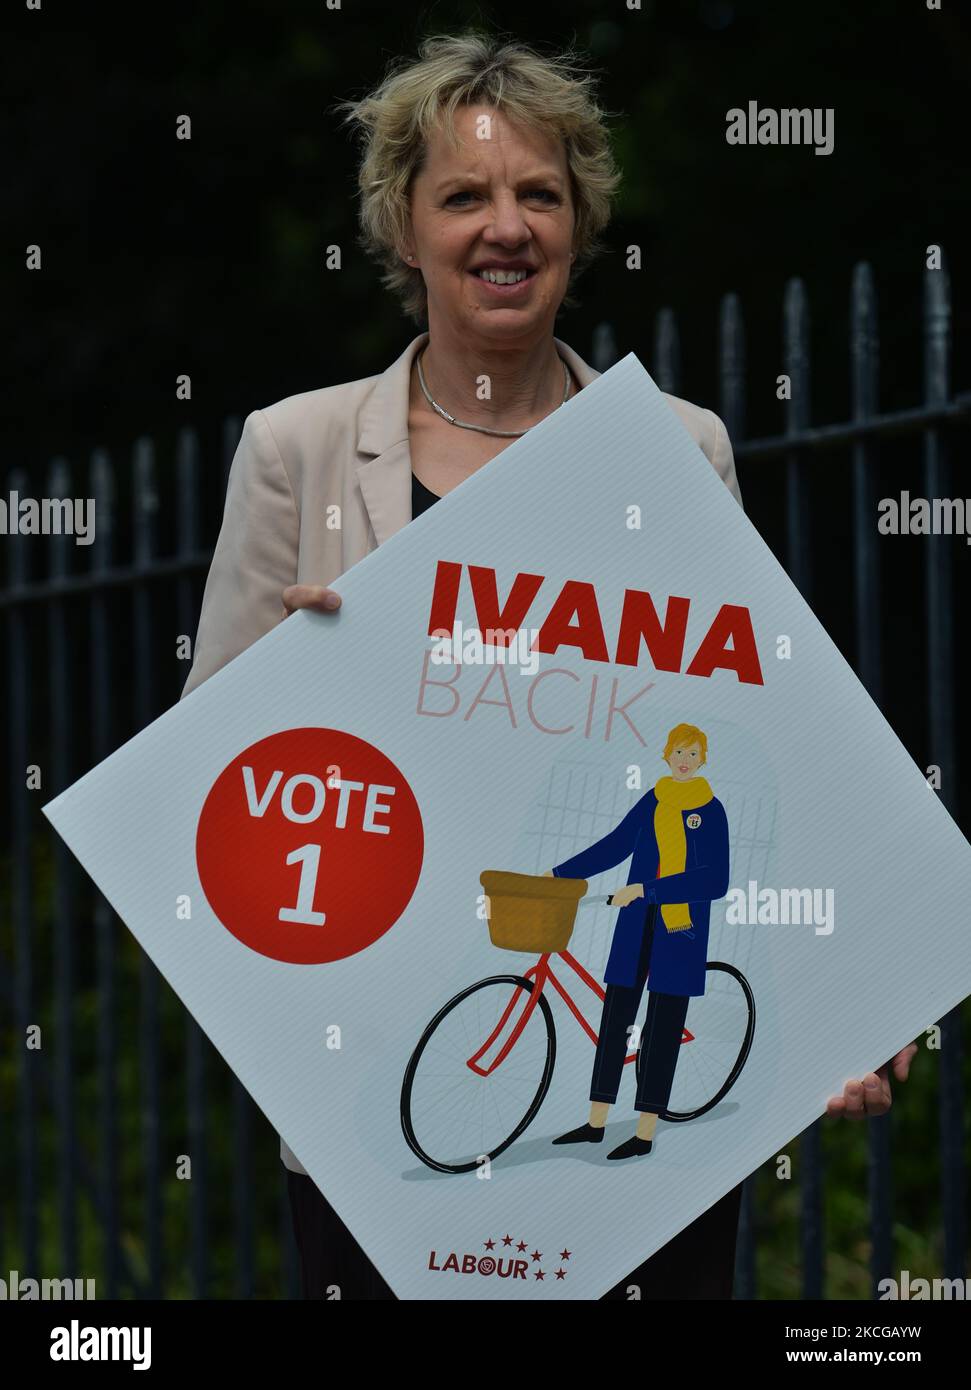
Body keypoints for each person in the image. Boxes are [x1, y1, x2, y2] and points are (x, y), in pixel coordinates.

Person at [180, 30, 917, 1301]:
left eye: (538, 193)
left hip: (653, 1159)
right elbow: (212, 804)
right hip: (372, 1100)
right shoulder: (296, 452)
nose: (502, 226)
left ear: (578, 225)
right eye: (462, 196)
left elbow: (753, 739)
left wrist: (838, 1002)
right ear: (404, 234)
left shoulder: (679, 451)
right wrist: (287, 693)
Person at [549, 724, 730, 1160]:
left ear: (702, 759)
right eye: (678, 752)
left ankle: (645, 1133)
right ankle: (596, 1123)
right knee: (615, 1020)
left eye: (693, 753)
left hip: (679, 931)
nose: (684, 759)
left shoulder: (710, 810)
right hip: (635, 925)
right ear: (666, 755)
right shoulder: (653, 801)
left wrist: (648, 890)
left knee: (662, 1028)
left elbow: (715, 879)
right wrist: (558, 876)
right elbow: (615, 845)